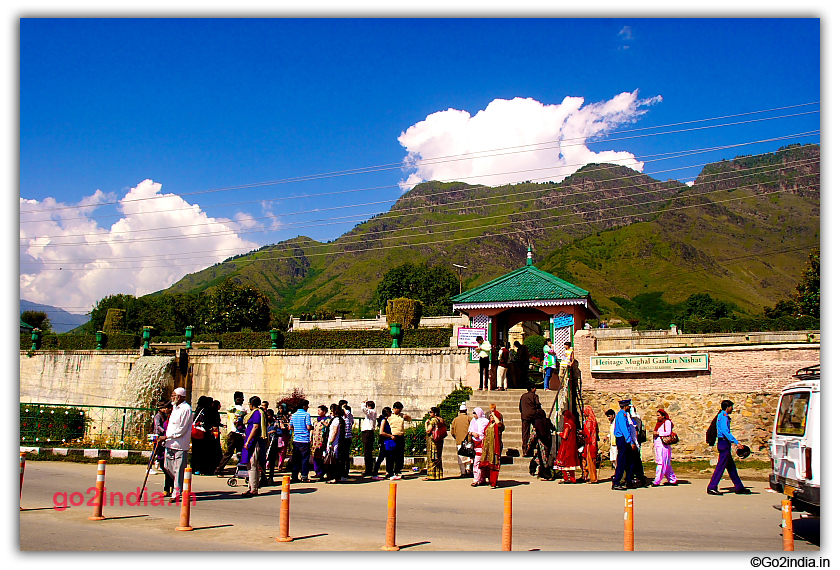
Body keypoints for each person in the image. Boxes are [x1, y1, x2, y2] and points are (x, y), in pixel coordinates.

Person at [708, 400, 750, 495]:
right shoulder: (723, 417)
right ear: (728, 407)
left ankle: (739, 487)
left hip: (724, 443)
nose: (732, 409)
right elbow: (725, 432)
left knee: (731, 467)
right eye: (731, 407)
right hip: (724, 443)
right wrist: (736, 442)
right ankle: (712, 486)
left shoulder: (722, 416)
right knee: (721, 466)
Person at [162, 387, 192, 504]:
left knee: (179, 469)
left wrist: (168, 436)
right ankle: (180, 486)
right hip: (169, 443)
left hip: (180, 444)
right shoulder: (175, 408)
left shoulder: (186, 409)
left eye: (173, 395)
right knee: (167, 466)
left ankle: (176, 493)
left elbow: (182, 429)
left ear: (179, 397)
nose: (171, 397)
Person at [241, 396, 267, 497]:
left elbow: (255, 427)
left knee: (252, 464)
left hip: (254, 441)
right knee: (253, 465)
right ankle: (252, 486)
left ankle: (253, 488)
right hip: (252, 440)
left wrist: (248, 441)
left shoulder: (257, 413)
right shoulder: (257, 412)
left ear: (252, 404)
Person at [215, 391, 246, 476]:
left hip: (231, 432)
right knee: (239, 452)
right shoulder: (241, 410)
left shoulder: (230, 408)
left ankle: (219, 469)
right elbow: (239, 421)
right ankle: (241, 470)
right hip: (238, 433)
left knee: (229, 452)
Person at [612, 399, 638, 491]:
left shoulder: (624, 415)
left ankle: (628, 480)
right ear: (626, 406)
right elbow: (624, 430)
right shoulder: (622, 415)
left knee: (629, 461)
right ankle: (616, 482)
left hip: (624, 439)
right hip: (623, 440)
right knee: (622, 461)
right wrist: (630, 442)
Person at [289, 399, 314, 483]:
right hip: (304, 439)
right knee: (304, 459)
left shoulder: (294, 415)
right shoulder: (306, 415)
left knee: (296, 459)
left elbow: (290, 427)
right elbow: (308, 427)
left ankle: (294, 476)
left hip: (296, 439)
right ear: (304, 406)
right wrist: (312, 427)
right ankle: (304, 476)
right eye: (307, 405)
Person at [526, 408, 555, 480]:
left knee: (542, 457)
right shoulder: (547, 421)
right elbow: (553, 428)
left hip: (541, 442)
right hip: (548, 441)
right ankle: (541, 471)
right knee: (544, 457)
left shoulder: (536, 423)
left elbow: (534, 434)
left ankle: (545, 474)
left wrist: (529, 444)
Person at [151, 400, 173, 495]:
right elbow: (158, 427)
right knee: (164, 465)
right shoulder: (158, 416)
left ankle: (169, 487)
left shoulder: (168, 416)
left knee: (168, 467)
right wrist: (165, 433)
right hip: (160, 440)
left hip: (167, 442)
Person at [479, 407, 504, 488]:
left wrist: (494, 414)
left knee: (494, 465)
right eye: (490, 416)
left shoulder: (498, 426)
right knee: (486, 465)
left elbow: (499, 423)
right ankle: (488, 480)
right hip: (487, 448)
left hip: (494, 448)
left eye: (493, 416)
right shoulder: (489, 424)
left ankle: (494, 482)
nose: (491, 417)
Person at [653, 409, 678, 486]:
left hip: (663, 445)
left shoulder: (667, 422)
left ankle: (657, 480)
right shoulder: (659, 423)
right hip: (659, 444)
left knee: (662, 462)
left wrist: (658, 433)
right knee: (666, 463)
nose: (658, 417)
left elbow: (668, 432)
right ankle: (672, 479)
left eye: (659, 415)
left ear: (663, 416)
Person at [372, 407, 396, 480]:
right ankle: (375, 474)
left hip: (385, 441)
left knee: (388, 458)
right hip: (385, 442)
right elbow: (381, 432)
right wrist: (391, 436)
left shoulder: (385, 420)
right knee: (382, 458)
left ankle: (390, 474)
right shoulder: (384, 420)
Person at [468, 407, 491, 487]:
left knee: (479, 462)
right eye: (473, 413)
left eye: (475, 413)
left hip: (483, 444)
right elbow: (469, 431)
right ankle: (479, 479)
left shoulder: (485, 422)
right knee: (477, 461)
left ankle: (478, 479)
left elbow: (489, 432)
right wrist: (473, 433)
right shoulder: (473, 421)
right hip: (475, 443)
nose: (474, 415)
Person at [555, 410, 578, 483]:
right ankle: (572, 478)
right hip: (573, 444)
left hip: (567, 444)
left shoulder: (567, 424)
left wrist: (559, 433)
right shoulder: (573, 424)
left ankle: (566, 477)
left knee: (564, 460)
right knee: (571, 461)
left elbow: (565, 436)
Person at [450, 403, 472, 477]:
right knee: (468, 456)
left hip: (459, 441)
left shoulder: (455, 420)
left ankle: (463, 472)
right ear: (466, 410)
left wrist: (456, 437)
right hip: (468, 440)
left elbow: (452, 431)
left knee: (461, 457)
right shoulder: (469, 418)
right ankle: (468, 469)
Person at [424, 407, 445, 480]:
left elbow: (428, 431)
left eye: (431, 412)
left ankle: (431, 475)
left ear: (435, 413)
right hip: (440, 440)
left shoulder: (433, 420)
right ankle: (439, 475)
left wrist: (426, 424)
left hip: (433, 440)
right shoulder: (441, 419)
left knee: (432, 457)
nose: (430, 413)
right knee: (438, 457)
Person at [390, 401, 410, 479]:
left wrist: (406, 416)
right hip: (392, 436)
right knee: (392, 454)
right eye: (398, 409)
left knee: (400, 454)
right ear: (394, 409)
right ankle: (390, 470)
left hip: (400, 436)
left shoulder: (402, 416)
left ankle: (398, 470)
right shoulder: (390, 416)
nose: (399, 411)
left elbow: (409, 419)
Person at [325, 404, 345, 483]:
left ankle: (333, 477)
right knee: (334, 460)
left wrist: (330, 442)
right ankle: (336, 476)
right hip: (335, 442)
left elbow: (335, 431)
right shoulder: (338, 419)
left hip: (334, 443)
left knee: (333, 461)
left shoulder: (336, 420)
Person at [519, 385, 541, 455]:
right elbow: (538, 405)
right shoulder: (534, 396)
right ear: (533, 389)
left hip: (525, 416)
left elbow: (520, 407)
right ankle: (533, 448)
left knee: (525, 433)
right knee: (536, 432)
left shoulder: (523, 396)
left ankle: (525, 450)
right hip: (534, 416)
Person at [581, 405, 599, 483]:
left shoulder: (589, 421)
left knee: (590, 460)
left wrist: (582, 432)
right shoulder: (594, 421)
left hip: (589, 443)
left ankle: (593, 478)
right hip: (593, 443)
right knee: (591, 460)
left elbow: (587, 433)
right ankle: (586, 475)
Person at [360, 400, 377, 477]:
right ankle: (369, 469)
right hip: (367, 433)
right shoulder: (371, 413)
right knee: (367, 452)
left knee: (367, 452)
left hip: (368, 432)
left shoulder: (371, 411)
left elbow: (364, 410)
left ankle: (369, 470)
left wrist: (363, 404)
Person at [274, 403, 292, 473]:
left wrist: (285, 426)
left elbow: (289, 425)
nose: (280, 410)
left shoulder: (288, 416)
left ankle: (280, 465)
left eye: (281, 408)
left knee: (282, 451)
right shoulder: (277, 416)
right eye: (279, 408)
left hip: (284, 435)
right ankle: (276, 463)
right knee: (277, 450)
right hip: (277, 434)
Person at [263, 408, 279, 485]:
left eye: (269, 415)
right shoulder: (264, 423)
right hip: (265, 443)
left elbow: (279, 432)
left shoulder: (275, 423)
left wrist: (274, 431)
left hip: (273, 443)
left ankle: (271, 477)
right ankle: (263, 477)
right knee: (263, 461)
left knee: (272, 461)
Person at [339, 400, 353, 481]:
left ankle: (344, 473)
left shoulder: (346, 414)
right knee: (345, 456)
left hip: (345, 437)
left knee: (343, 456)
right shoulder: (348, 415)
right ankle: (345, 473)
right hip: (347, 437)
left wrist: (344, 409)